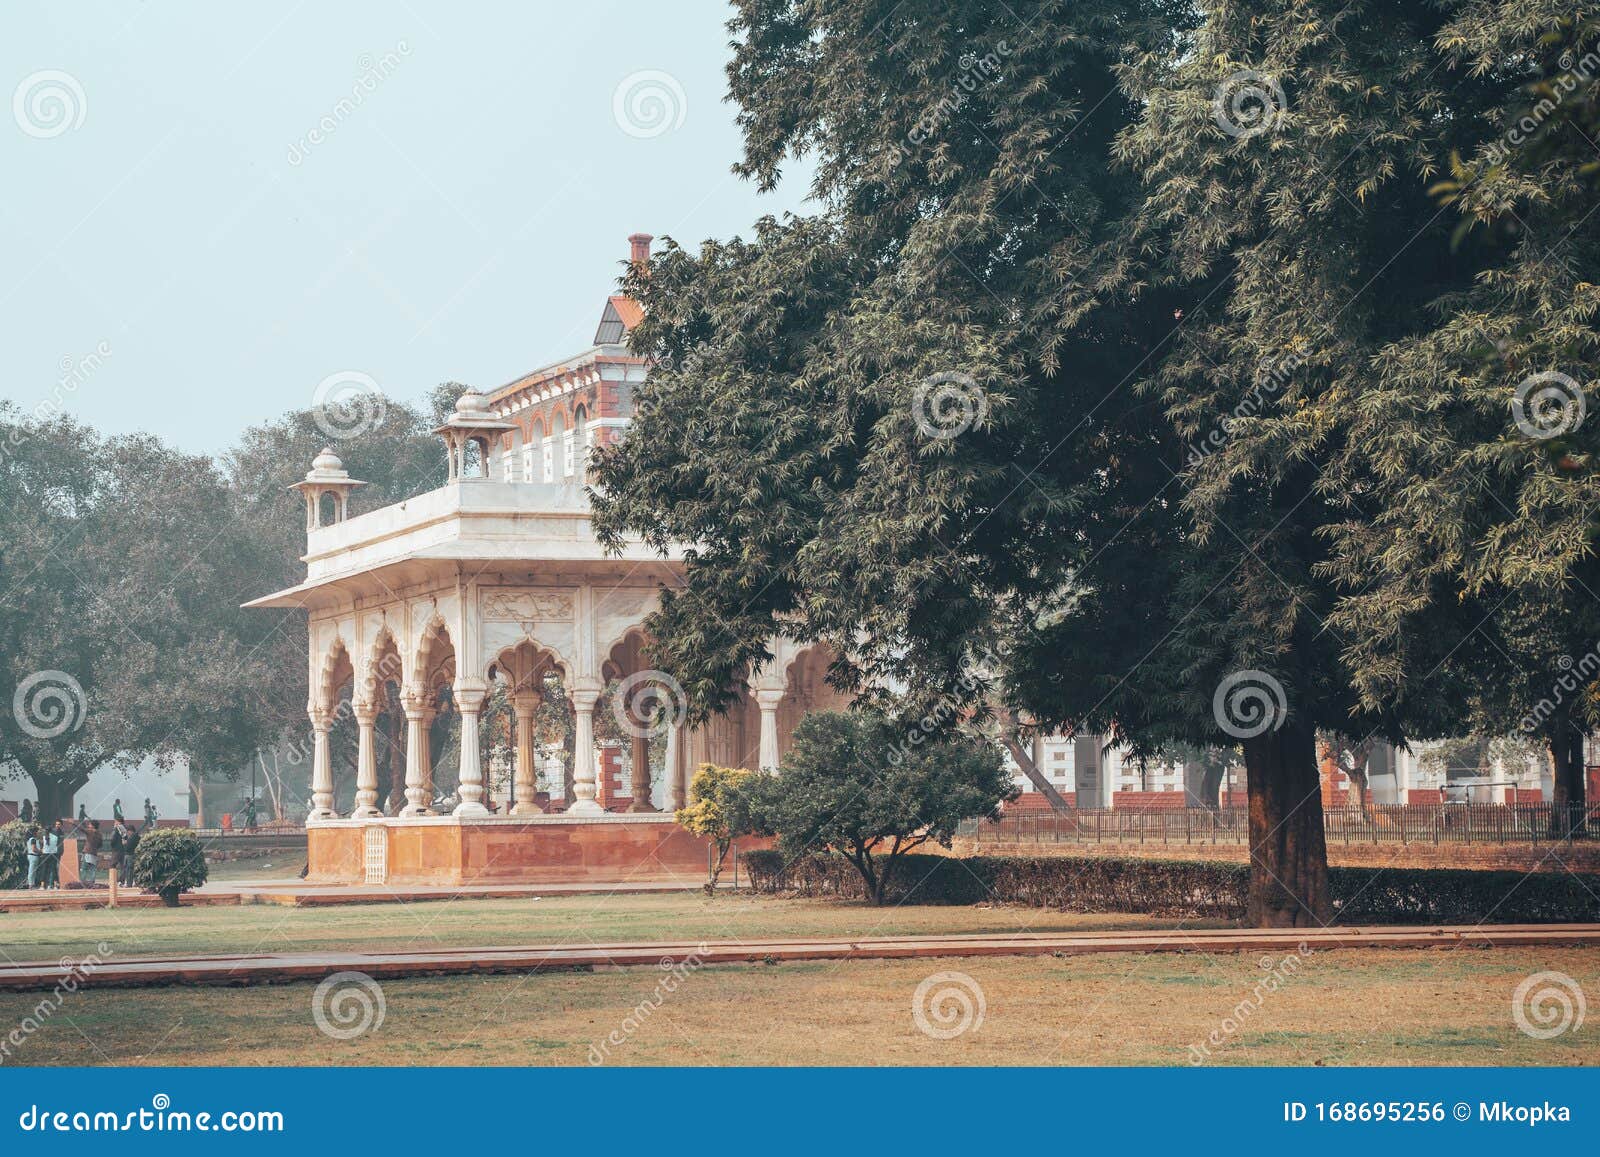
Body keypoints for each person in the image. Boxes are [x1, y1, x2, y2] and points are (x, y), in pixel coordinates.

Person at [41, 822, 61, 890]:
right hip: (53, 854)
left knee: (44, 870)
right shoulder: (56, 837)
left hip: (45, 854)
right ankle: (55, 886)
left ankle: (42, 886)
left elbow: (43, 845)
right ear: (52, 830)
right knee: (54, 870)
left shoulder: (44, 837)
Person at [81, 820, 102, 886]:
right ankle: (92, 882)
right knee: (93, 869)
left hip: (87, 852)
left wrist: (73, 823)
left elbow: (82, 829)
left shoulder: (90, 832)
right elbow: (100, 844)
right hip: (94, 853)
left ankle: (83, 882)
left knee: (84, 868)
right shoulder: (99, 834)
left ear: (93, 826)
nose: (88, 825)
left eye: (90, 824)